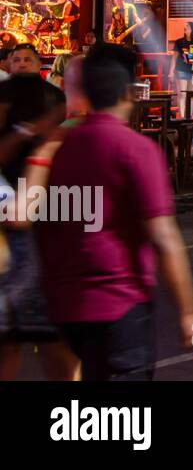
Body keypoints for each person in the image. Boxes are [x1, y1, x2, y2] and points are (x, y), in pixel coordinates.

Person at [37, 44, 193, 379]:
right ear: (130, 93)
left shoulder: (59, 150)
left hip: (66, 306)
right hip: (119, 305)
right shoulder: (136, 150)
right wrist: (189, 311)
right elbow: (162, 235)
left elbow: (50, 226)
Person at [0, 44, 77, 380]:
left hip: (42, 203)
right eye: (16, 59)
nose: (21, 63)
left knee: (44, 333)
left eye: (27, 58)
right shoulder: (6, 93)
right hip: (27, 203)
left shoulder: (51, 98)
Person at [171, 22, 193, 111]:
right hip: (181, 70)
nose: (185, 27)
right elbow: (174, 58)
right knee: (182, 94)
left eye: (187, 26)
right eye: (185, 26)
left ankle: (190, 117)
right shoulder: (179, 42)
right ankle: (182, 116)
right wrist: (171, 72)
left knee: (191, 95)